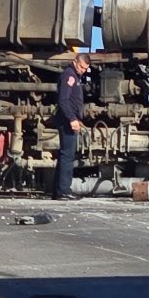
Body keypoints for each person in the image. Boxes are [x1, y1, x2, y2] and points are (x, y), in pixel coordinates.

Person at [53, 51, 90, 200]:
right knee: (67, 156)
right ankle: (63, 191)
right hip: (67, 121)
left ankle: (58, 191)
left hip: (70, 120)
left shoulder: (75, 76)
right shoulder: (69, 75)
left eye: (85, 69)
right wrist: (72, 118)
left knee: (65, 155)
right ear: (75, 61)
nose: (82, 71)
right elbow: (63, 100)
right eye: (81, 67)